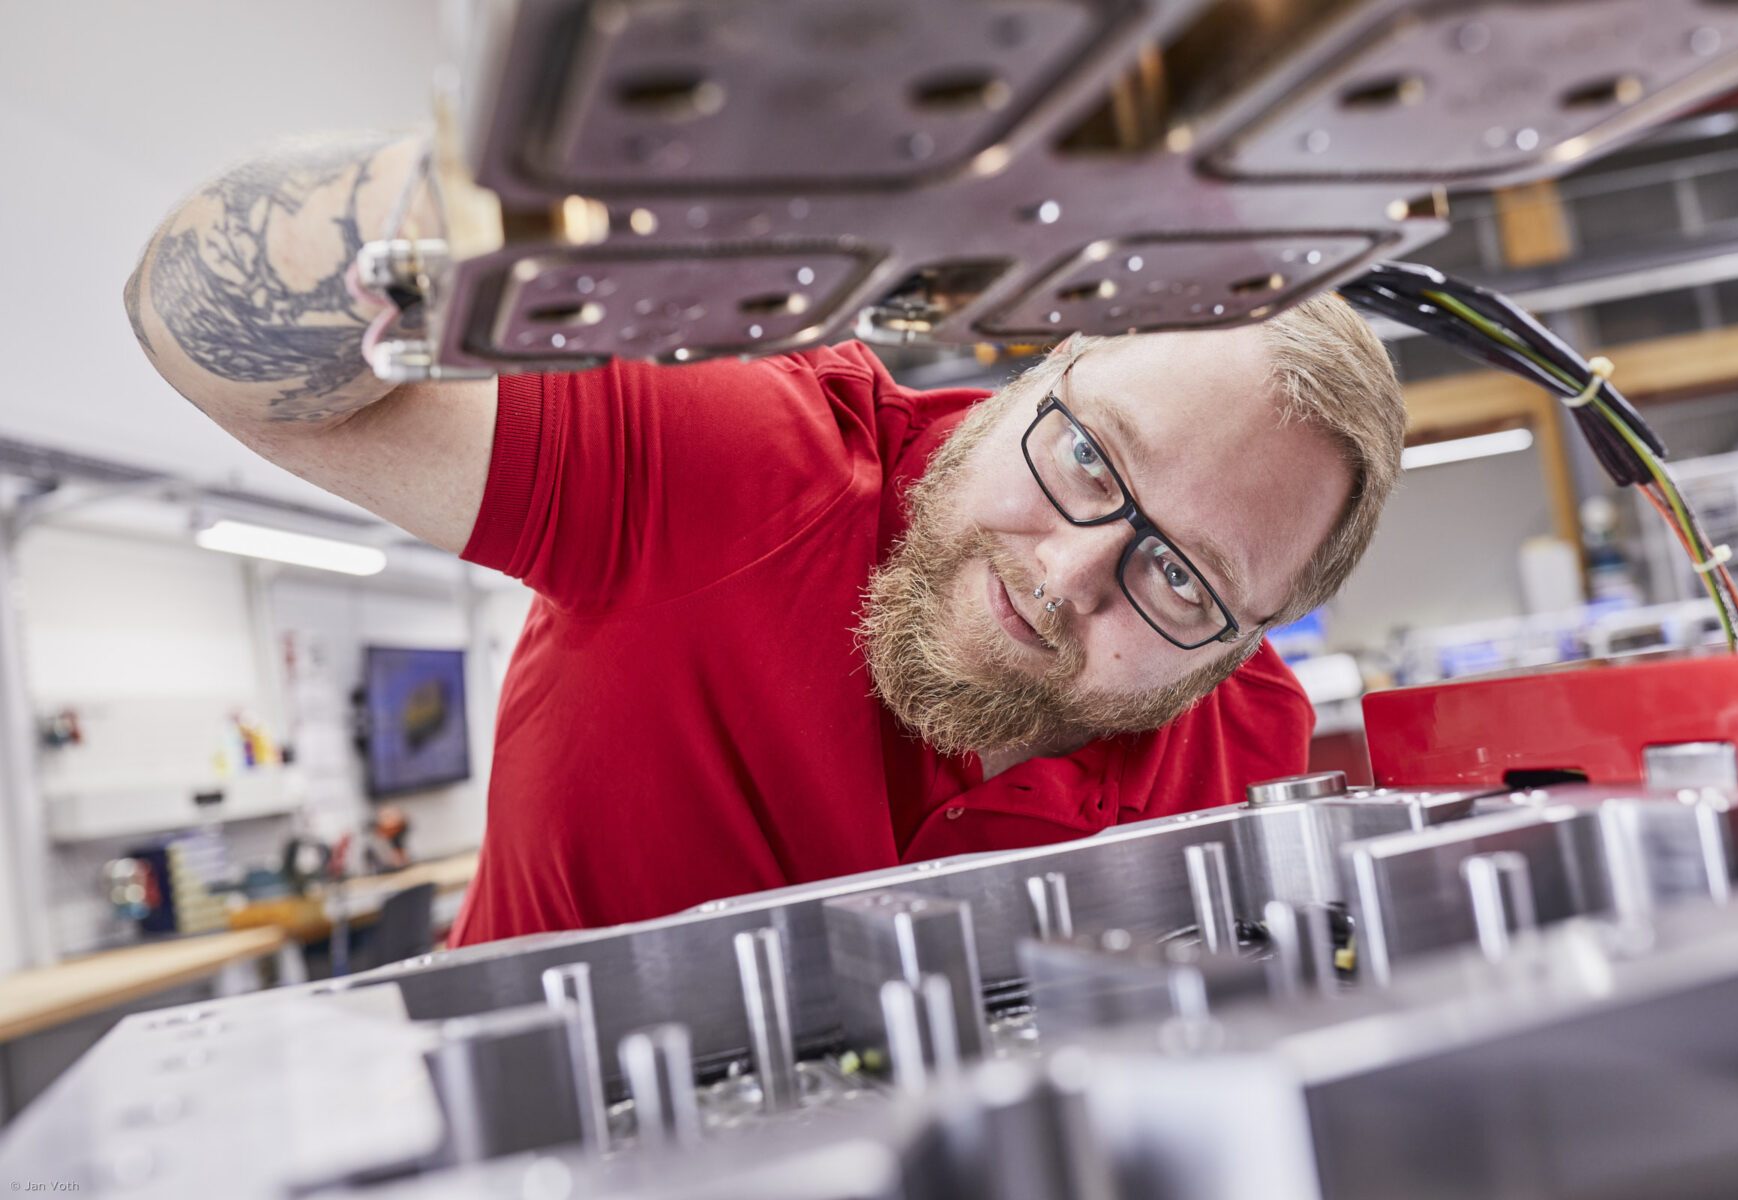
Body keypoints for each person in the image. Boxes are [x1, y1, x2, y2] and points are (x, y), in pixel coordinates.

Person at [124, 133, 1405, 945]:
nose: (1071, 574)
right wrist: (478, 201)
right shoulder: (735, 463)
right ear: (1028, 373)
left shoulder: (1243, 760)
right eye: (1087, 454)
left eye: (1181, 579)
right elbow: (198, 329)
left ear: (1247, 642)